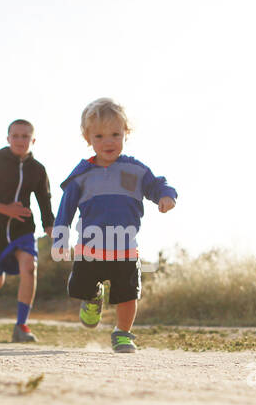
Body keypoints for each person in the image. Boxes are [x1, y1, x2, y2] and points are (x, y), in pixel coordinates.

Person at [52, 98, 177, 353]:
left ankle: (122, 333)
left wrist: (166, 195)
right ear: (88, 138)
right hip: (90, 248)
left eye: (115, 134)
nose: (108, 142)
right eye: (99, 136)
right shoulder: (82, 175)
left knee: (128, 294)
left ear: (125, 134)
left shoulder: (135, 170)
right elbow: (65, 209)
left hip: (125, 247)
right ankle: (92, 297)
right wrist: (60, 237)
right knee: (82, 287)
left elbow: (156, 184)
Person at [0, 119, 54, 342]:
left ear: (32, 140)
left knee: (29, 267)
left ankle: (21, 326)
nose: (20, 140)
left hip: (22, 231)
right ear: (8, 139)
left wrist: (50, 225)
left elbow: (45, 200)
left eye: (25, 136)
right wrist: (5, 209)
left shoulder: (37, 170)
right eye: (15, 136)